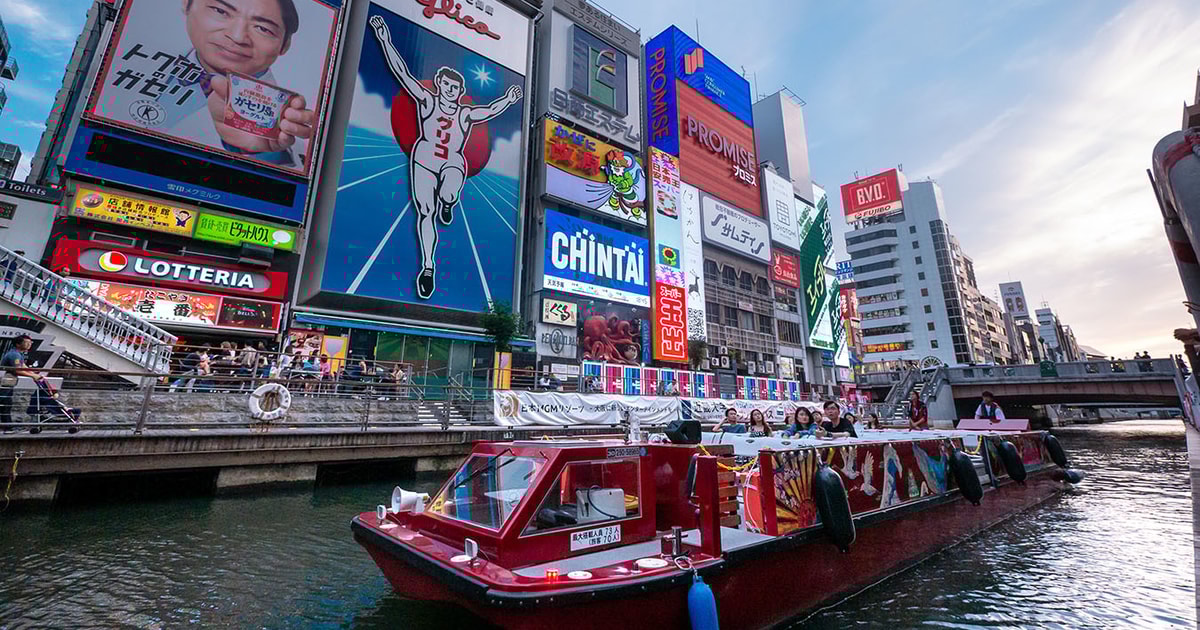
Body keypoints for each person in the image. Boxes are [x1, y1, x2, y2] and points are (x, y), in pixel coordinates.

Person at [370, 15, 524, 299]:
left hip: (452, 159)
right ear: (439, 84)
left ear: (460, 92)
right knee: (425, 213)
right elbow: (402, 73)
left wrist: (509, 100)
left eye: (455, 88)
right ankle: (428, 267)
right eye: (446, 85)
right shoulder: (427, 100)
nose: (450, 91)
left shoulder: (465, 113)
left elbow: (490, 110)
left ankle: (449, 201)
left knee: (452, 184)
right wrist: (384, 39)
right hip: (425, 158)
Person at [158, 0, 316, 167]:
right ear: (186, 4)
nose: (237, 36)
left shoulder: (291, 123)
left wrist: (257, 152)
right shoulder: (135, 55)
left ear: (285, 45)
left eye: (262, 28)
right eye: (220, 11)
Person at [1, 335, 48, 432]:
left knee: (6, 405)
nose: (29, 344)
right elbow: (18, 370)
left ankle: (8, 427)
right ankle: (8, 428)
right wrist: (33, 376)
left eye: (30, 342)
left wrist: (35, 374)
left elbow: (23, 366)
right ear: (18, 344)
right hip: (4, 383)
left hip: (8, 383)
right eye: (26, 342)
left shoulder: (19, 354)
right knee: (4, 405)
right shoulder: (14, 355)